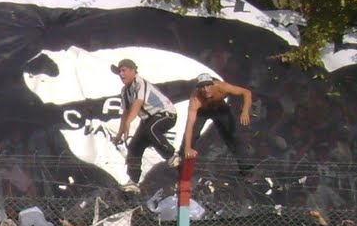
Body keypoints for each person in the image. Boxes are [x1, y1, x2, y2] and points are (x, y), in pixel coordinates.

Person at [109, 58, 177, 195]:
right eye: (119, 72)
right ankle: (133, 182)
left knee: (152, 129)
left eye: (124, 70)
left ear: (133, 70)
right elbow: (125, 114)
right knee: (134, 147)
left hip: (165, 114)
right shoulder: (125, 91)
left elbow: (138, 103)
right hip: (148, 120)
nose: (121, 75)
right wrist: (118, 135)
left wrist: (129, 122)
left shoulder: (140, 83)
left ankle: (172, 156)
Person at [179, 73, 254, 177]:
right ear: (199, 88)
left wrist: (245, 111)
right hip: (203, 112)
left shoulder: (221, 87)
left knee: (234, 136)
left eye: (208, 85)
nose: (205, 89)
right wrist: (187, 148)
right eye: (202, 87)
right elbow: (189, 126)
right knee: (192, 136)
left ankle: (245, 168)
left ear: (212, 84)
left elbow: (246, 92)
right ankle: (181, 162)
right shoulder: (195, 99)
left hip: (220, 109)